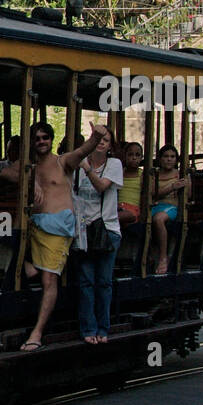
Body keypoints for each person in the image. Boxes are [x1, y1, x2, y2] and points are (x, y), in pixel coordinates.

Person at [21, 120, 108, 351]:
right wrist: (31, 180)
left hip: (57, 230)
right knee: (25, 266)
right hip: (34, 229)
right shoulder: (29, 166)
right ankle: (30, 264)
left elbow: (82, 151)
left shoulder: (62, 162)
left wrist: (96, 138)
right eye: (37, 138)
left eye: (45, 138)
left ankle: (37, 332)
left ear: (51, 140)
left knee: (49, 280)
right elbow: (8, 172)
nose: (41, 142)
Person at [72, 126, 124, 344]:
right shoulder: (78, 166)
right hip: (84, 231)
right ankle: (88, 329)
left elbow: (102, 187)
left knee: (103, 282)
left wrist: (87, 169)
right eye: (98, 139)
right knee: (85, 282)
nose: (101, 143)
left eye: (106, 140)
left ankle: (103, 328)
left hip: (107, 230)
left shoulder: (114, 164)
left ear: (110, 146)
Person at [149, 144, 189, 274]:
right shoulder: (154, 174)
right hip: (155, 205)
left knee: (158, 219)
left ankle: (163, 257)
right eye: (166, 156)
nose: (169, 159)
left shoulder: (179, 174)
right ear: (160, 159)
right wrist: (172, 187)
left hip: (171, 207)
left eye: (172, 156)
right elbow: (153, 193)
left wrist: (187, 183)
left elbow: (188, 195)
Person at [118, 142, 143, 227]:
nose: (134, 158)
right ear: (125, 156)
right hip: (118, 207)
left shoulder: (142, 175)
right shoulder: (119, 172)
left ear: (141, 158)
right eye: (130, 155)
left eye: (137, 155)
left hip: (132, 210)